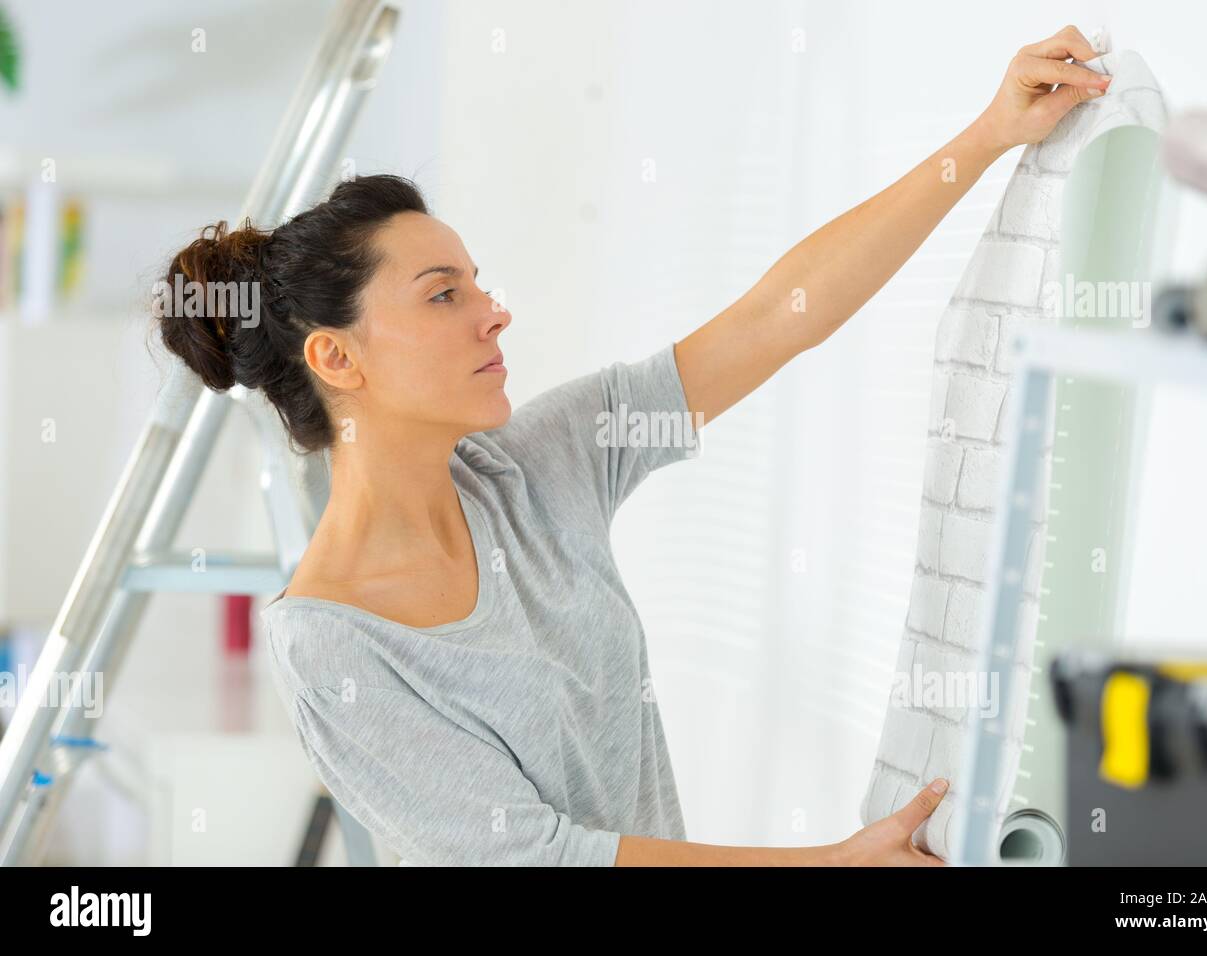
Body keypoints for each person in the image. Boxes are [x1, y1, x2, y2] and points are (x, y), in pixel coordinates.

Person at [153, 25, 1108, 866]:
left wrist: (988, 135)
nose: (494, 314)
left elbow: (780, 317)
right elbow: (541, 859)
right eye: (444, 294)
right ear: (336, 358)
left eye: (478, 284)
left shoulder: (536, 467)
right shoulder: (333, 647)